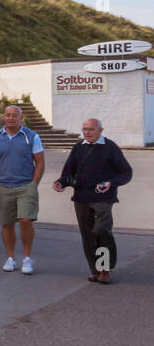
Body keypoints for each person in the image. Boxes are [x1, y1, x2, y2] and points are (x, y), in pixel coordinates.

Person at [52, 118, 133, 284]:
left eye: (90, 129)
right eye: (84, 129)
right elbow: (68, 172)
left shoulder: (110, 147)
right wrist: (61, 182)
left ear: (100, 130)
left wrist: (111, 183)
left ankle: (105, 269)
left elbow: (126, 173)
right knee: (87, 235)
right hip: (81, 198)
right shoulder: (78, 147)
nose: (87, 132)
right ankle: (96, 270)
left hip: (103, 198)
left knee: (101, 231)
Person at [0, 104, 45, 274]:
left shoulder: (31, 136)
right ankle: (11, 258)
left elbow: (40, 162)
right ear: (3, 117)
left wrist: (33, 184)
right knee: (7, 223)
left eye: (14, 115)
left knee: (25, 220)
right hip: (3, 186)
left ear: (21, 118)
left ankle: (27, 258)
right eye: (7, 115)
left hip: (25, 185)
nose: (11, 118)